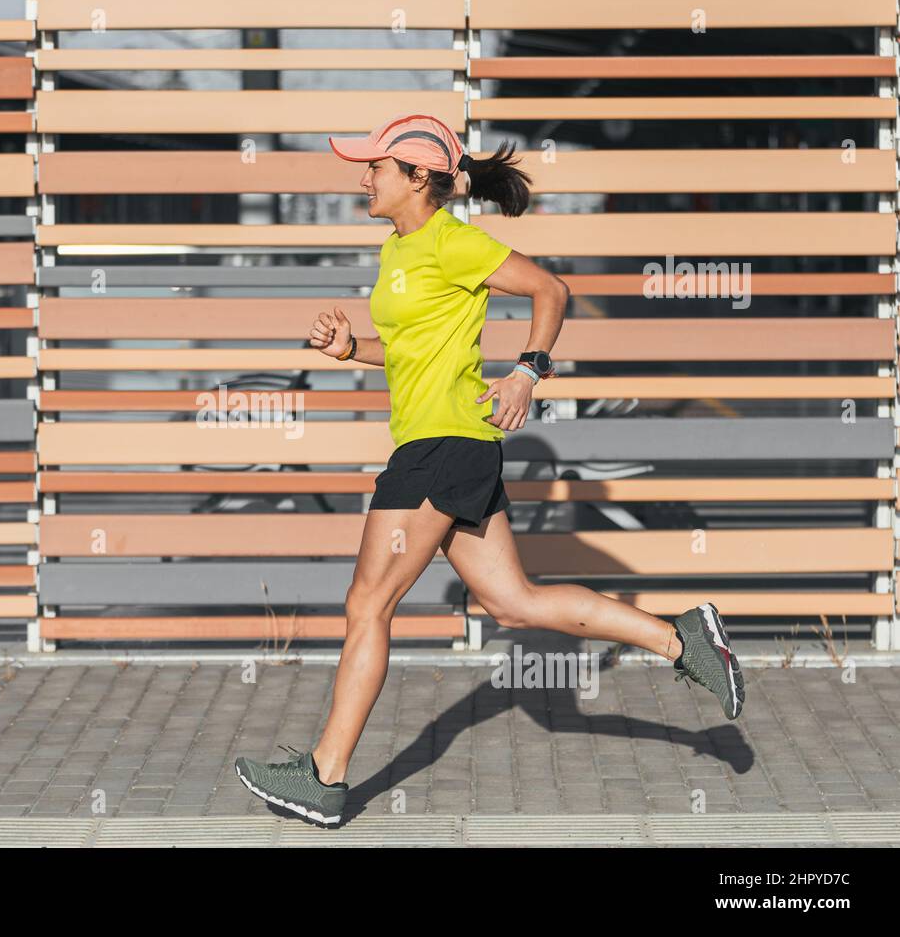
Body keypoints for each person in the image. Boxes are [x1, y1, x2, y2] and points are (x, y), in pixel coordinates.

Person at [234, 113, 744, 828]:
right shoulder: (398, 250)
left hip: (441, 447)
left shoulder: (452, 242)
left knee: (366, 606)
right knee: (515, 603)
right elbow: (413, 346)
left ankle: (325, 776)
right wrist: (353, 349)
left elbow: (551, 292)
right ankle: (681, 638)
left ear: (417, 178)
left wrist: (526, 373)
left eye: (377, 167)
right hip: (447, 445)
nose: (363, 178)